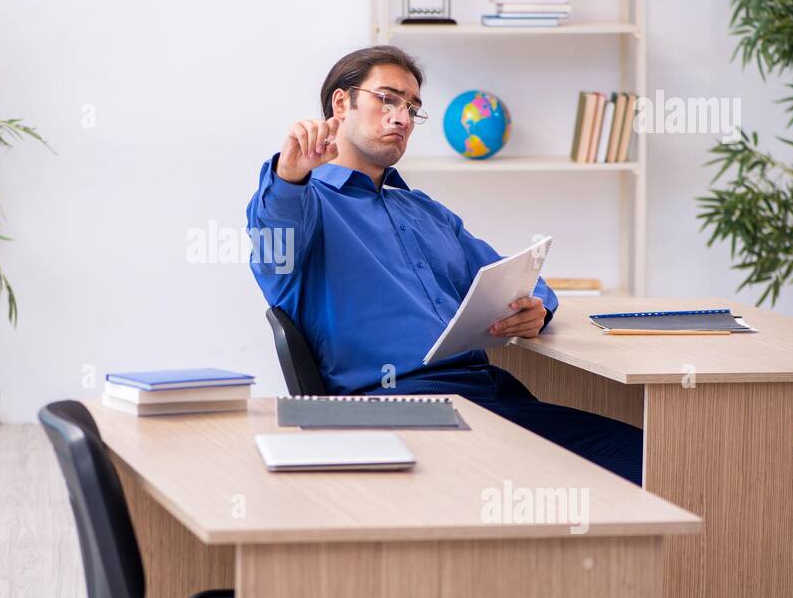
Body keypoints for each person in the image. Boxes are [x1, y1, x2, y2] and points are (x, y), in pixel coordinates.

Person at [245, 45, 642, 485]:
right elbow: (272, 249)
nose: (402, 118)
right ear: (342, 103)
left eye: (412, 108)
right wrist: (287, 176)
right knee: (644, 466)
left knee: (656, 456)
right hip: (397, 411)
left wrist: (537, 308)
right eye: (388, 99)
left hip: (484, 397)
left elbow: (511, 275)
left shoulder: (426, 212)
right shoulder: (304, 200)